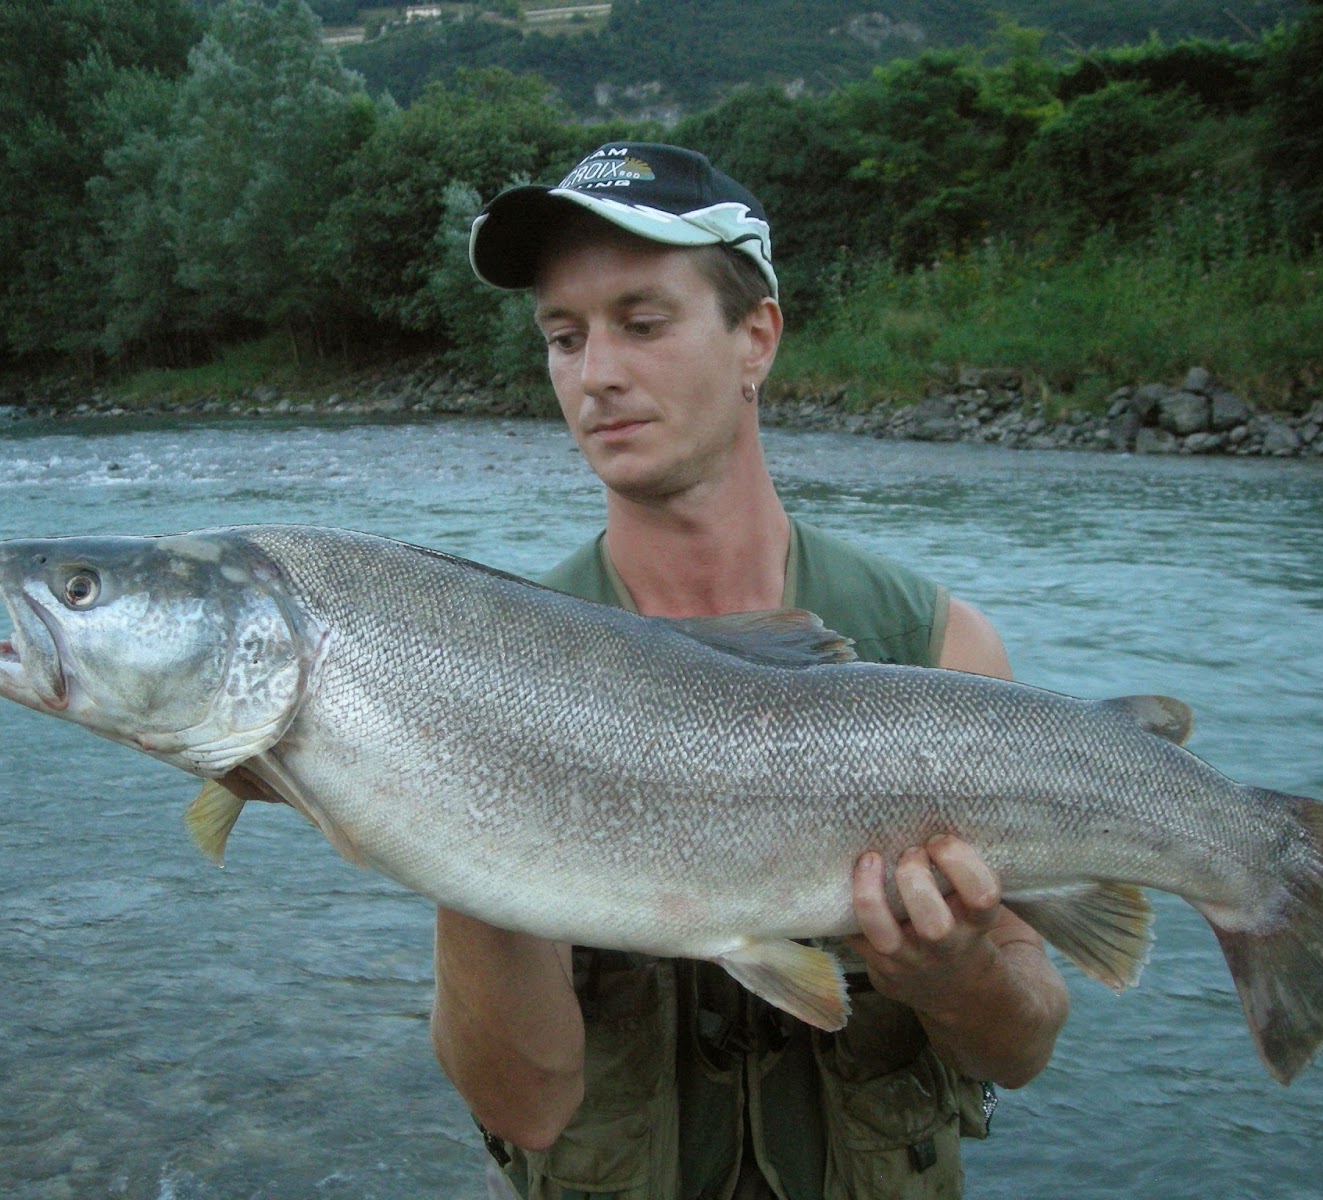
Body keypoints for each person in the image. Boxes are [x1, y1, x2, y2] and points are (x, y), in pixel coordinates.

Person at [431, 142, 1070, 1200]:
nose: (596, 374)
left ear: (754, 339)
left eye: (641, 323)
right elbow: (525, 1105)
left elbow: (1023, 1046)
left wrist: (957, 977)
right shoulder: (500, 661)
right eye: (563, 336)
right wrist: (446, 819)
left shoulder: (939, 647)